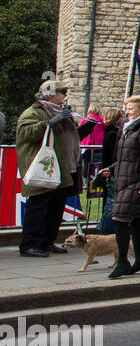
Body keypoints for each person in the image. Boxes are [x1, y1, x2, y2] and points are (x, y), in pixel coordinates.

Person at [15, 81, 85, 257]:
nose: (64, 97)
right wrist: (49, 123)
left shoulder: (61, 113)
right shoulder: (33, 112)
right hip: (44, 169)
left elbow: (68, 138)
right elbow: (25, 134)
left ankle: (46, 242)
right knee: (37, 209)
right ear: (50, 94)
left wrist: (84, 128)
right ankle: (29, 245)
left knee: (55, 210)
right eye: (62, 93)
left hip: (61, 169)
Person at [103, 95, 140, 279]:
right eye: (126, 108)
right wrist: (112, 169)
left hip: (137, 182)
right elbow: (128, 157)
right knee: (136, 220)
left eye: (131, 109)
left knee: (120, 219)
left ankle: (123, 261)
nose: (127, 112)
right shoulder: (130, 129)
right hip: (126, 180)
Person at [95, 108, 125, 234]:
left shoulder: (112, 133)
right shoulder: (112, 134)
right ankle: (106, 228)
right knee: (111, 202)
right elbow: (111, 155)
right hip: (112, 171)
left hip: (112, 169)